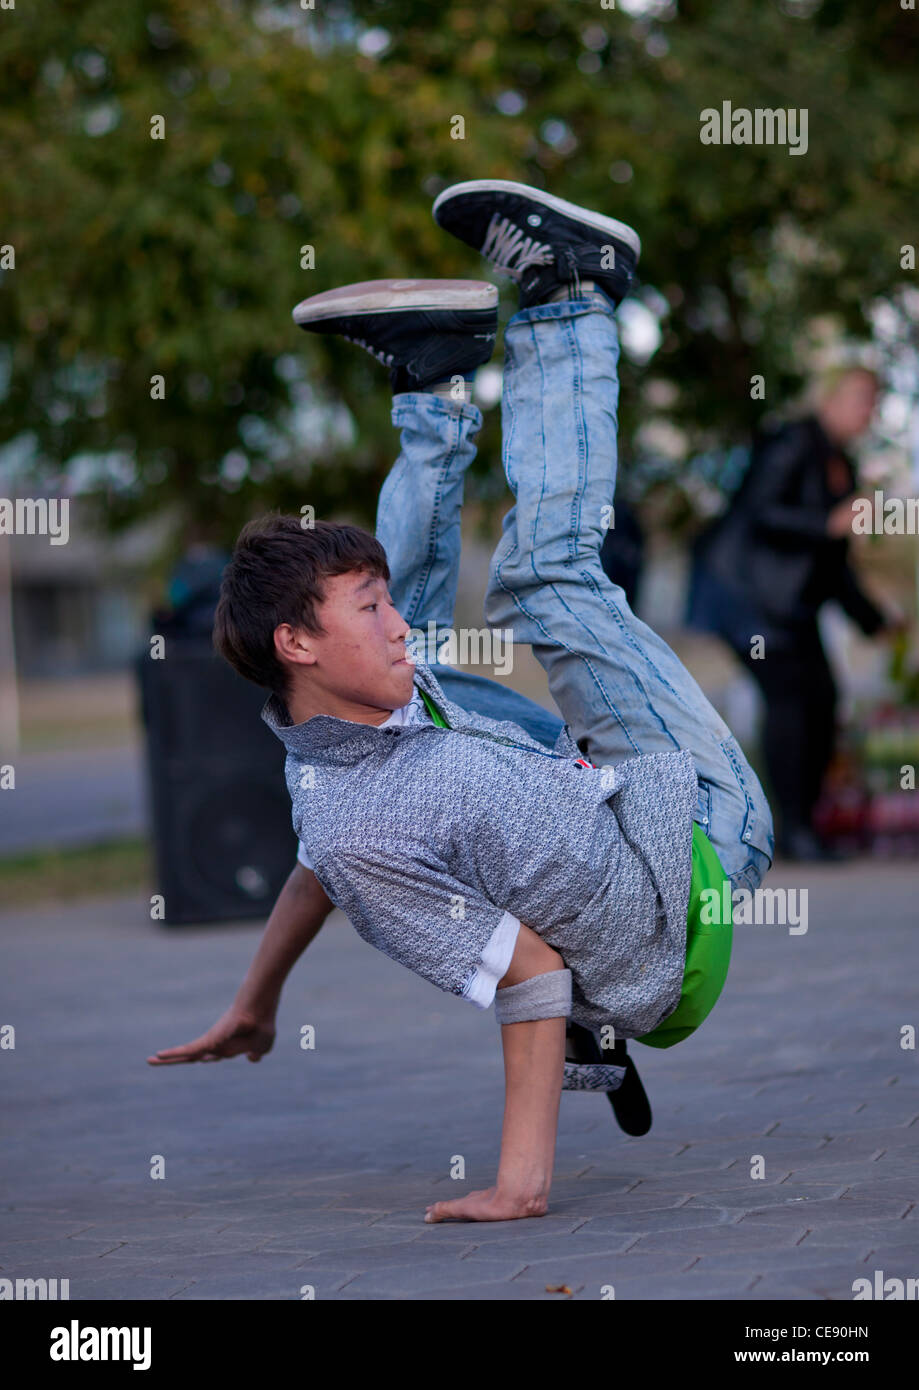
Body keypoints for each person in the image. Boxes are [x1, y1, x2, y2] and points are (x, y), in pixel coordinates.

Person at [148, 180, 773, 1224]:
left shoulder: (325, 752)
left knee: (425, 660)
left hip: (610, 810)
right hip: (698, 845)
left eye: (383, 599)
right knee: (547, 583)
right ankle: (574, 299)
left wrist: (256, 1000)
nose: (393, 622)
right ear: (292, 640)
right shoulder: (364, 821)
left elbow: (314, 865)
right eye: (365, 608)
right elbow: (524, 979)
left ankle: (435, 381)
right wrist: (520, 1186)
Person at [687, 366, 901, 861]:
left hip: (791, 610)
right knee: (791, 704)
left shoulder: (840, 461)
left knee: (823, 700)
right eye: (859, 398)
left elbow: (831, 563)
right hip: (750, 603)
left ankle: (804, 824)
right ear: (828, 397)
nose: (867, 411)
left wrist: (876, 621)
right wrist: (827, 520)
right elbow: (760, 511)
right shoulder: (791, 442)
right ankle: (790, 832)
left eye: (872, 401)